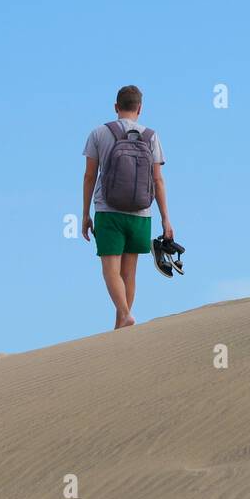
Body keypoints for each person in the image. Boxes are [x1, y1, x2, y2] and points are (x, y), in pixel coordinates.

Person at [81, 85, 173, 329]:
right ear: (140, 108)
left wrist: (85, 214)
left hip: (108, 211)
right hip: (141, 213)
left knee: (110, 270)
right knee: (129, 273)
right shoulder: (151, 136)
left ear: (115, 107)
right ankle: (122, 324)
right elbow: (158, 180)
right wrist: (166, 219)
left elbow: (89, 176)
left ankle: (124, 314)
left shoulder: (99, 133)